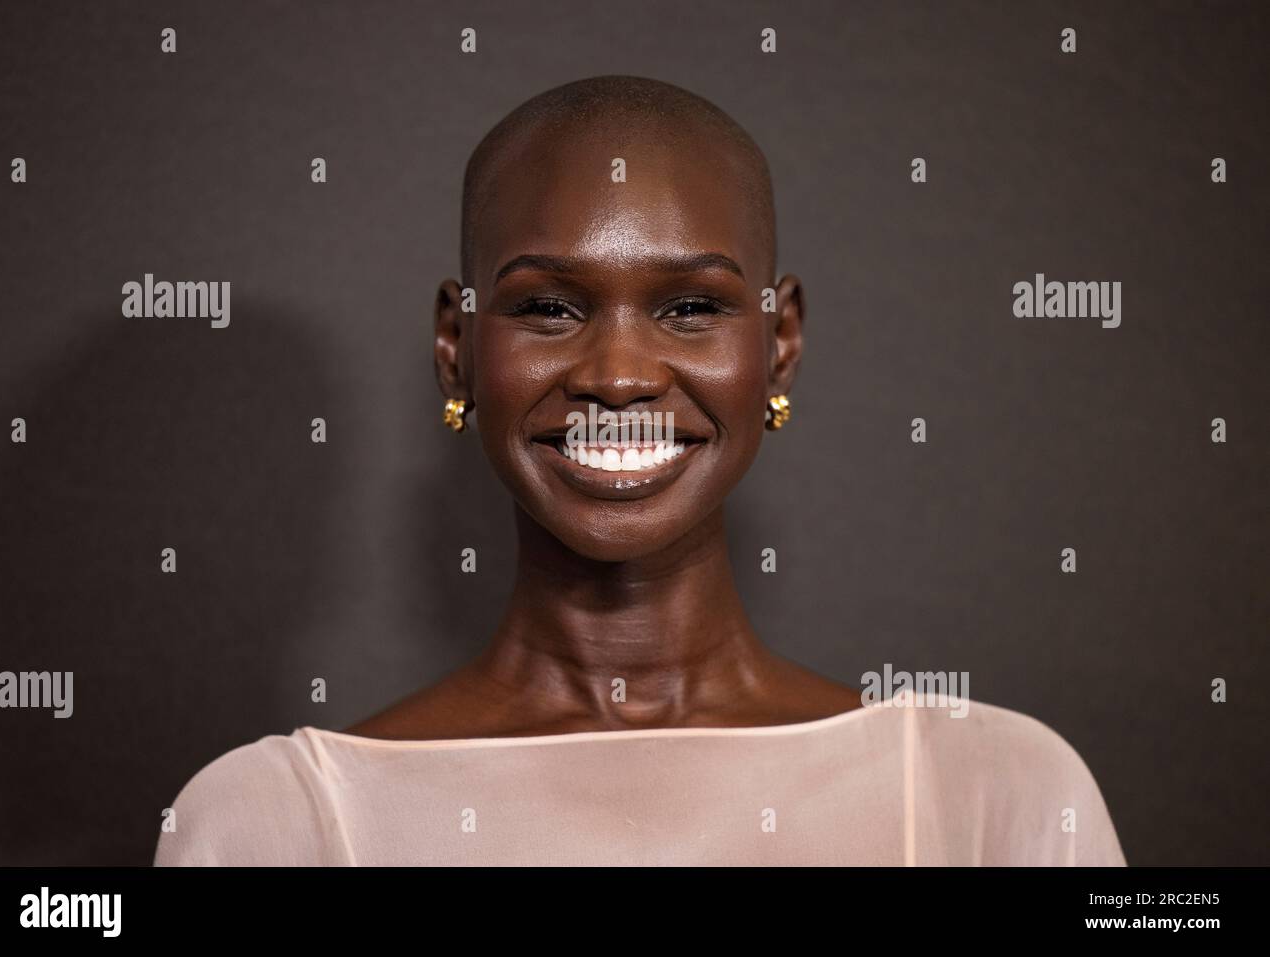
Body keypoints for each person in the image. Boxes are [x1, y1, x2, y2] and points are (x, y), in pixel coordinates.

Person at [154, 74, 1126, 866]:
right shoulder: (272, 826)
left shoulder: (992, 793)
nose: (617, 377)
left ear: (779, 343)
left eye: (691, 308)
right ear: (455, 347)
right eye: (548, 308)